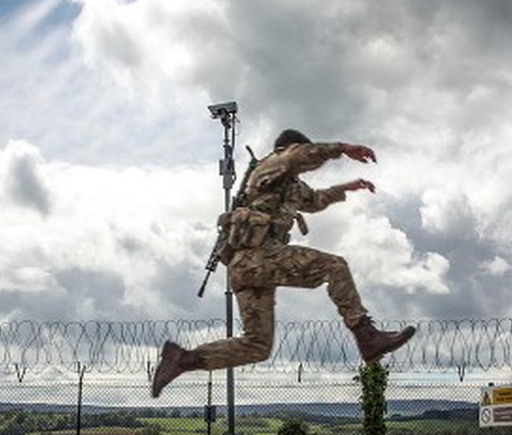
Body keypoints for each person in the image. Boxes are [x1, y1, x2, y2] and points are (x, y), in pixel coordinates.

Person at [151, 129, 416, 397]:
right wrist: (343, 148)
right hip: (259, 257)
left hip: (245, 270)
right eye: (299, 151)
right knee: (334, 266)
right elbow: (297, 157)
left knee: (257, 346)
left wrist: (345, 188)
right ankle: (368, 337)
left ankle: (183, 360)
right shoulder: (273, 163)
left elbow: (314, 200)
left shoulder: (289, 184)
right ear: (290, 148)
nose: (302, 163)